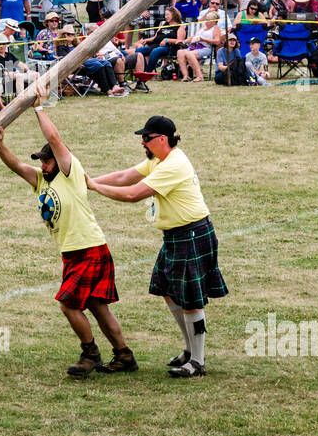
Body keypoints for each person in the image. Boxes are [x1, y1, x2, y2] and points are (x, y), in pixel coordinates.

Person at [0, 104, 137, 377]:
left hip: (89, 249)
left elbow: (55, 139)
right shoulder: (40, 180)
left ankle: (90, 353)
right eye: (41, 162)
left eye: (46, 161)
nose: (43, 166)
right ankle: (124, 356)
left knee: (68, 305)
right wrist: (0, 144)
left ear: (59, 161)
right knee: (96, 306)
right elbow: (16, 165)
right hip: (74, 253)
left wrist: (38, 107)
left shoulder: (70, 174)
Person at [86, 116, 227, 378]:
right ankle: (190, 350)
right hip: (177, 235)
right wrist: (87, 181)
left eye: (147, 138)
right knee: (169, 292)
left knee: (190, 300)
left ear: (163, 139)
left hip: (191, 234)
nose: (143, 142)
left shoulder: (173, 164)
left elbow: (133, 194)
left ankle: (197, 362)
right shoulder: (158, 159)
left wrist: (94, 187)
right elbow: (126, 176)